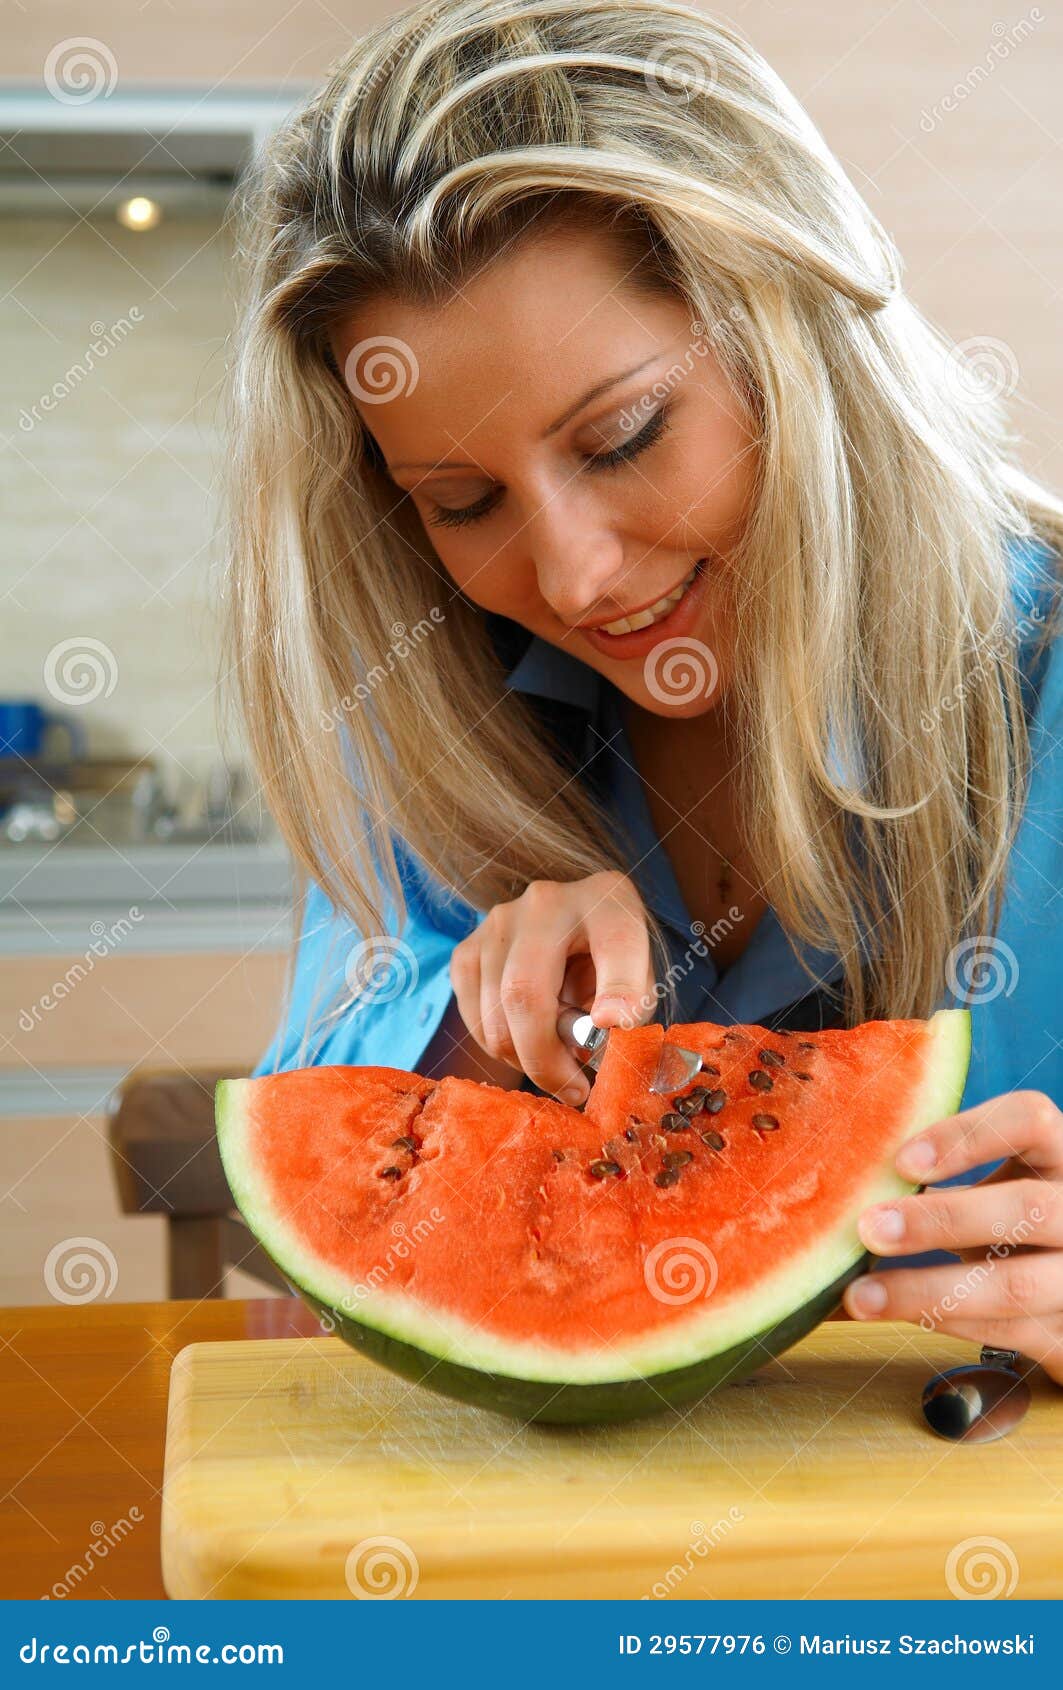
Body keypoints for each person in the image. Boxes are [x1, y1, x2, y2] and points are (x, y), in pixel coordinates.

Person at [224, 0, 1063, 1381]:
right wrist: (476, 1032)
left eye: (621, 436)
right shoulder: (432, 693)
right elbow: (328, 1135)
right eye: (462, 498)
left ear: (794, 337)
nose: (572, 575)